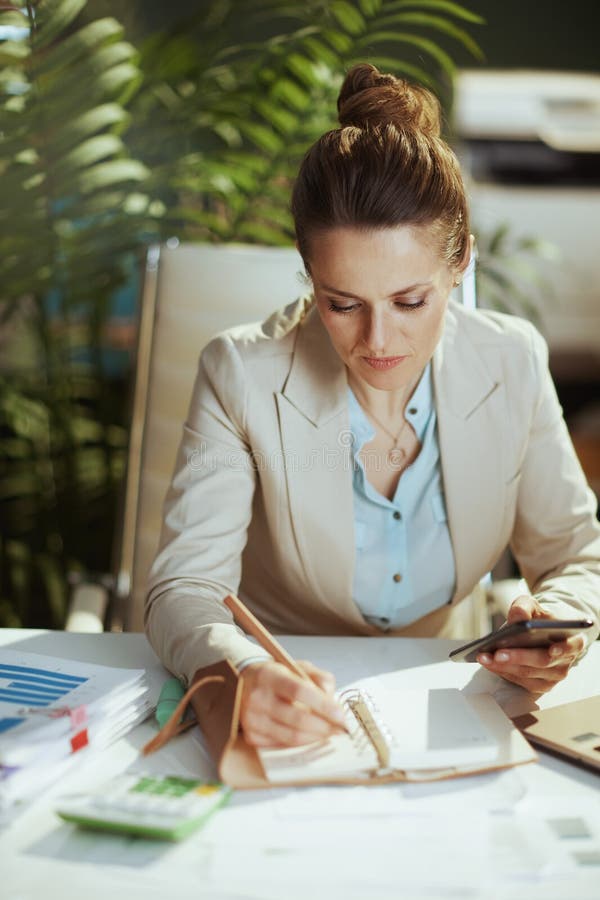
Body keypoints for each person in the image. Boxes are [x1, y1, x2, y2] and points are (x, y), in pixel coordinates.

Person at [145, 63, 600, 750]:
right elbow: (184, 586)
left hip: (449, 709)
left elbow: (577, 556)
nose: (378, 340)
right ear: (309, 275)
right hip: (287, 708)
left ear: (461, 265)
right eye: (342, 304)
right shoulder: (239, 372)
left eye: (411, 302)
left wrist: (556, 626)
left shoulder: (512, 361)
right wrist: (241, 669)